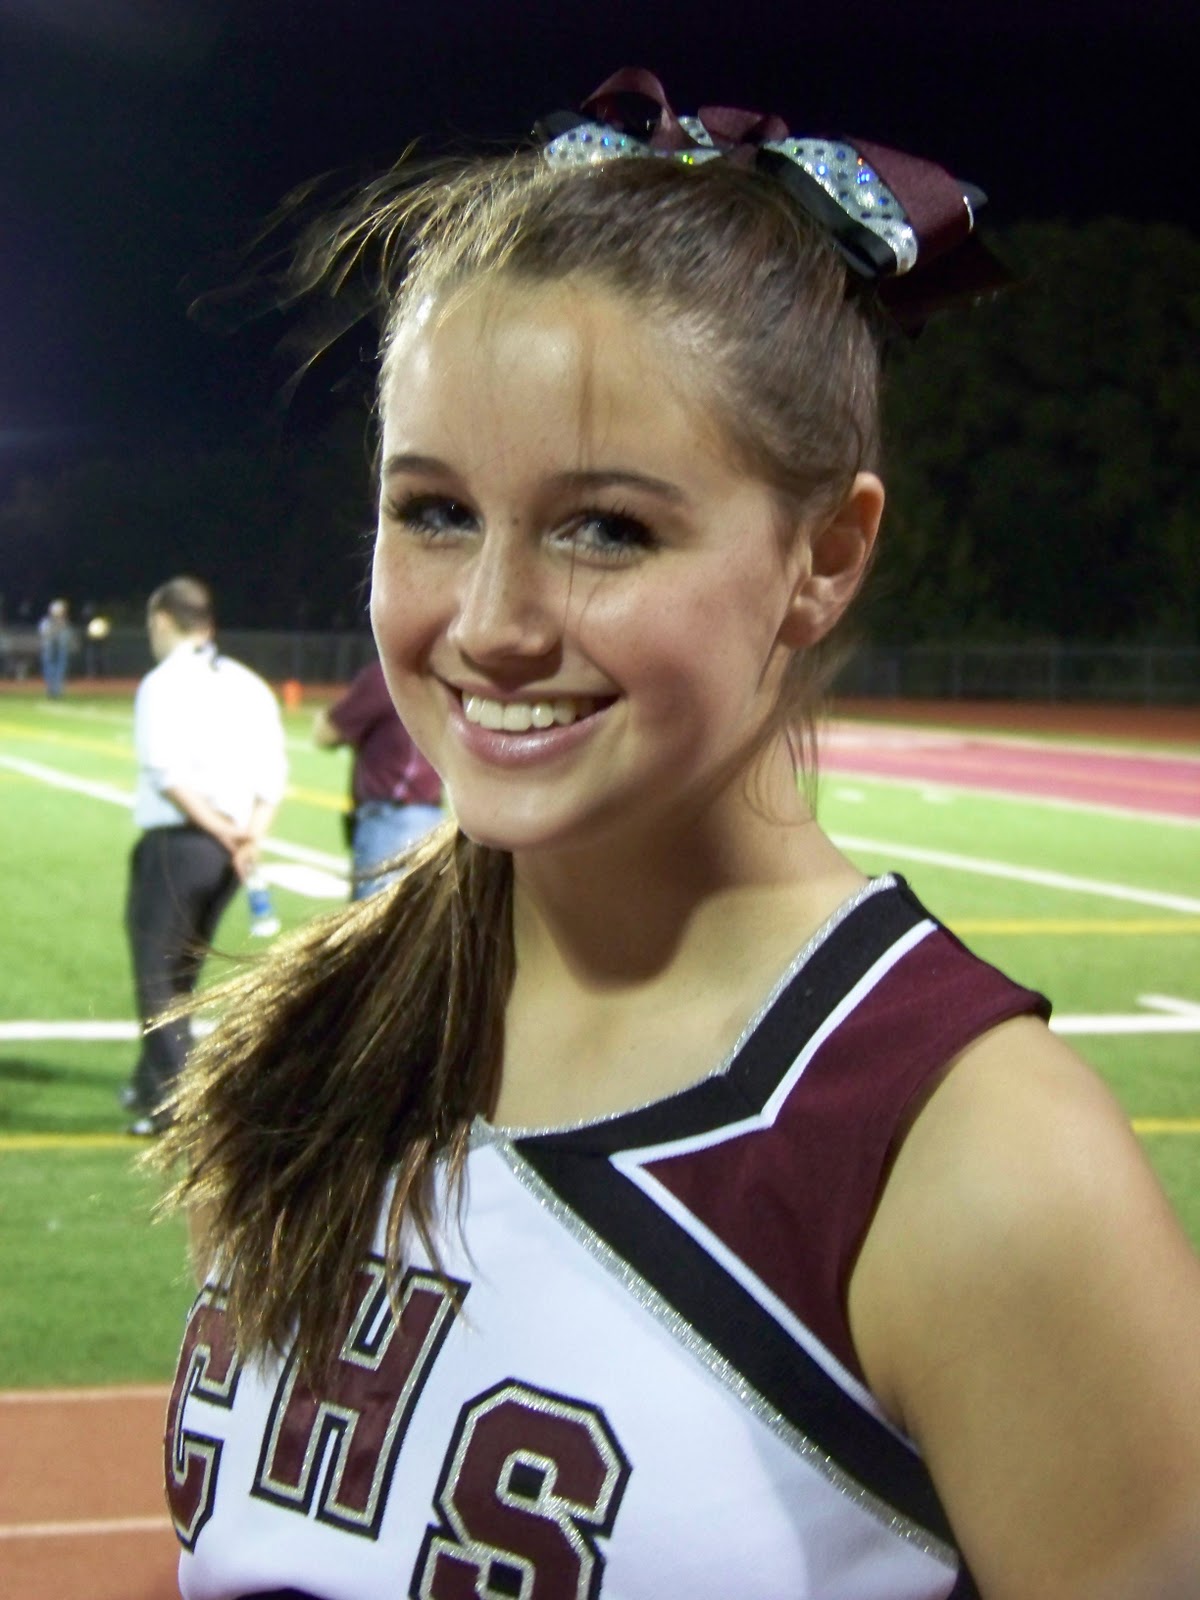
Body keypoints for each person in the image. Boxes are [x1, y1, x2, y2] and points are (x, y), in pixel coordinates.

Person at [154, 72, 1200, 1600]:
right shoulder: (321, 1030)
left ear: (824, 559)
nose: (495, 626)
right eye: (435, 511)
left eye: (608, 529)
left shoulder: (971, 1163)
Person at [124, 575, 287, 1133]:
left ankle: (178, 1105)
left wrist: (219, 829)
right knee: (182, 972)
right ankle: (148, 1081)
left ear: (164, 621)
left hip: (181, 844)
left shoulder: (163, 683)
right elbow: (273, 778)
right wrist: (247, 839)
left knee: (156, 976)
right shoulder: (248, 683)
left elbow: (167, 776)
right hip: (230, 852)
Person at [312, 656, 443, 897]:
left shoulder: (385, 677)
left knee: (374, 923)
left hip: (390, 820)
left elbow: (326, 733)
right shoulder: (443, 674)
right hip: (432, 818)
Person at [37, 597, 72, 697]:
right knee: (50, 669)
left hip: (60, 648)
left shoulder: (64, 623)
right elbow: (44, 633)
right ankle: (51, 689)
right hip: (50, 648)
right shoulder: (47, 622)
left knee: (60, 669)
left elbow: (67, 636)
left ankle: (57, 689)